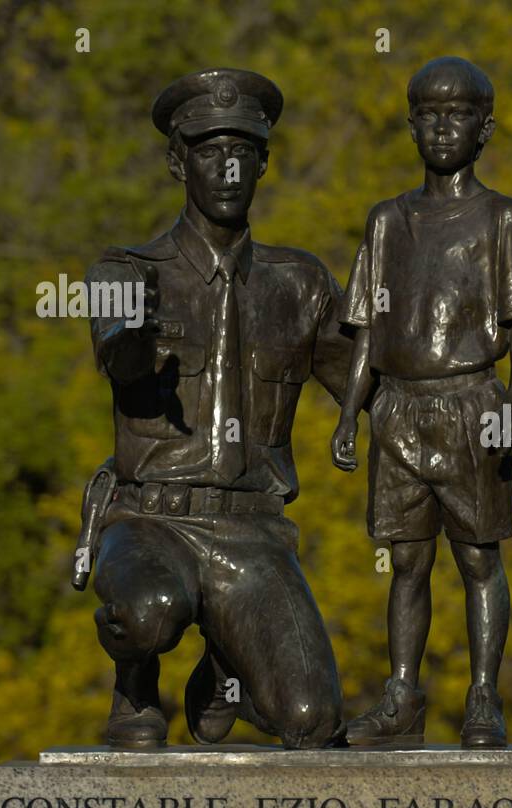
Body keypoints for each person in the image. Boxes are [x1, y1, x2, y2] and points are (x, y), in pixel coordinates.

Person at [84, 68, 351, 749]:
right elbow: (120, 359)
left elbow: (365, 383)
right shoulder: (125, 271)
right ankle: (136, 688)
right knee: (150, 613)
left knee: (312, 722)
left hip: (251, 535)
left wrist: (454, 385)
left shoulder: (303, 282)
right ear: (179, 161)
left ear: (264, 161)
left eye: (243, 153)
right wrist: (135, 336)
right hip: (150, 521)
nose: (228, 168)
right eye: (208, 151)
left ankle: (224, 669)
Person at [331, 56, 512, 748]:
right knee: (406, 561)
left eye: (457, 114)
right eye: (428, 114)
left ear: (484, 129)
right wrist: (349, 410)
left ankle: (483, 696)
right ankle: (403, 693)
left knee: (479, 558)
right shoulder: (386, 222)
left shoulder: (501, 218)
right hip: (397, 408)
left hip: (469, 405)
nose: (441, 127)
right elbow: (367, 327)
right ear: (410, 125)